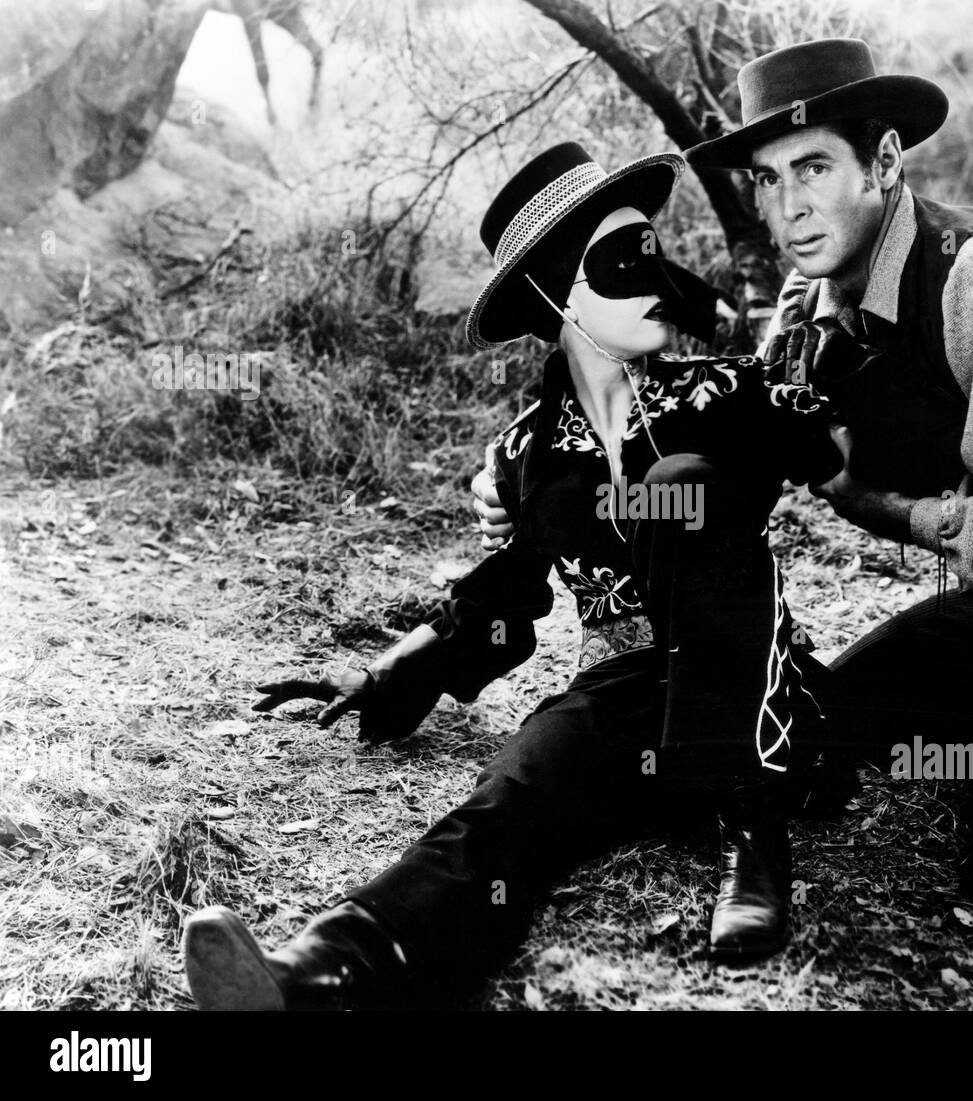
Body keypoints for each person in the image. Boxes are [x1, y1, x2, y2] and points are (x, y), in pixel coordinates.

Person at [476, 40, 973, 921]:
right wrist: (534, 483)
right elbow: (726, 435)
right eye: (765, 179)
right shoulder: (808, 309)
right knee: (828, 738)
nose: (786, 208)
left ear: (885, 161)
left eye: (813, 167)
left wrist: (891, 508)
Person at [181, 143, 845, 1010]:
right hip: (623, 700)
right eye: (621, 262)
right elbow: (509, 597)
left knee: (679, 488)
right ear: (555, 297)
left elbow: (832, 432)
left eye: (654, 252)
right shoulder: (529, 452)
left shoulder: (723, 395)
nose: (655, 280)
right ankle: (328, 969)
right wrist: (394, 669)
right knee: (508, 801)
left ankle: (753, 831)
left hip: (759, 699)